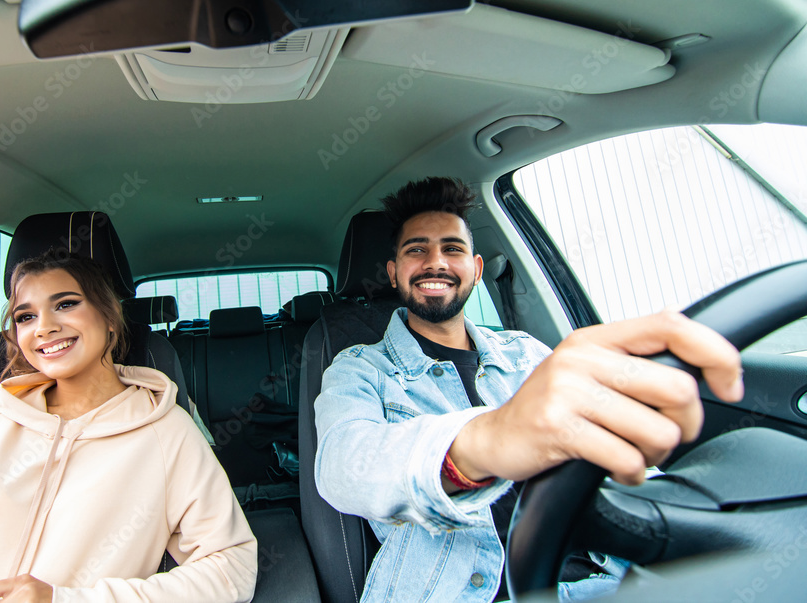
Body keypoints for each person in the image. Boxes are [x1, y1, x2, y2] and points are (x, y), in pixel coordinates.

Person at [314, 177, 743, 602]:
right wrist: (487, 440)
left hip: (613, 577)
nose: (436, 263)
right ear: (393, 273)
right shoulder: (359, 368)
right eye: (416, 250)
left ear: (477, 271)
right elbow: (342, 468)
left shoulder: (527, 352)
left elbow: (627, 469)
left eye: (453, 248)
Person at [0, 250, 258, 602]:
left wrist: (63, 599)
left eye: (65, 304)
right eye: (25, 316)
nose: (44, 327)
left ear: (110, 317)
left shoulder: (168, 434)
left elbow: (231, 567)